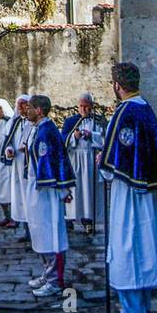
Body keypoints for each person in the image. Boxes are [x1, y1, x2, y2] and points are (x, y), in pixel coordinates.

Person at [101, 62, 157, 313]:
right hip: (148, 190)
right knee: (144, 246)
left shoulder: (126, 112)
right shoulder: (146, 109)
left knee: (127, 247)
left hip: (128, 191)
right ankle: (141, 307)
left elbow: (114, 157)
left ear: (117, 85)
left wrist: (104, 163)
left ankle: (131, 312)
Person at [23, 95, 74, 297]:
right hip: (37, 189)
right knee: (40, 232)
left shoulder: (48, 132)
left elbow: (55, 161)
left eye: (30, 108)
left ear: (39, 110)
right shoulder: (38, 130)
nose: (27, 111)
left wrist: (62, 189)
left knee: (52, 234)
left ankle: (55, 280)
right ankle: (47, 272)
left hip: (47, 190)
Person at [63, 92, 104, 234]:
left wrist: (91, 135)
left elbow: (105, 138)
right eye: (81, 106)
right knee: (76, 190)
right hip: (76, 159)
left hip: (91, 160)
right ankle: (71, 219)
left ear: (91, 107)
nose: (83, 109)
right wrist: (73, 136)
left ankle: (88, 220)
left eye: (86, 107)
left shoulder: (98, 120)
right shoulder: (70, 121)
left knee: (89, 192)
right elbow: (63, 140)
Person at [5, 94, 33, 231]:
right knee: (19, 197)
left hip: (30, 164)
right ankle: (25, 228)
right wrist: (9, 150)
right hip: (17, 164)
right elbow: (9, 141)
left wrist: (28, 148)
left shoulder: (33, 123)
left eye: (24, 104)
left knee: (29, 196)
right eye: (19, 104)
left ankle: (33, 230)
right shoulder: (15, 122)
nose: (21, 107)